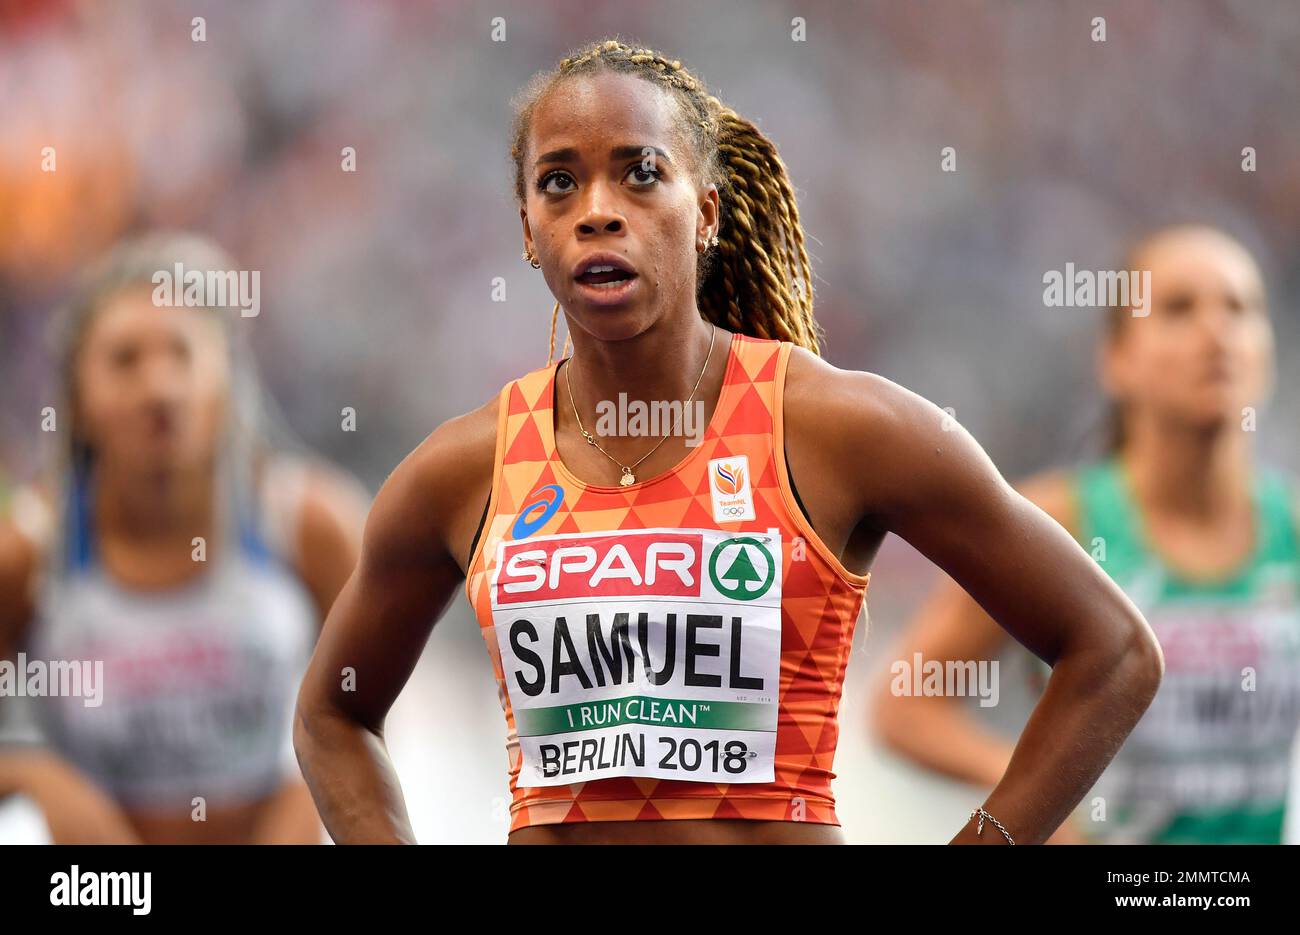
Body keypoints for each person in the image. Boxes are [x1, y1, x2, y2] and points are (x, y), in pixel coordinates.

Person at [294, 38, 1162, 845]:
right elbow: (332, 714)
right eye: (559, 183)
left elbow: (1111, 649)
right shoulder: (462, 470)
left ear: (705, 211)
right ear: (527, 228)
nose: (597, 211)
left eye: (640, 173)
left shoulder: (840, 428)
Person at [873, 224, 1300, 844]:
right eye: (1180, 308)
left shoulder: (1290, 529)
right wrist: (1039, 801)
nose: (1219, 332)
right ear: (1117, 360)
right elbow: (903, 704)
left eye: (1241, 308)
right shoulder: (1061, 520)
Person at [0, 232, 366, 843]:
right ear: (78, 397)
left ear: (226, 379)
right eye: (124, 360)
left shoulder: (310, 528)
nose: (159, 389)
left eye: (182, 355)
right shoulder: (31, 554)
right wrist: (38, 776)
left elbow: (374, 712)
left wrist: (312, 788)